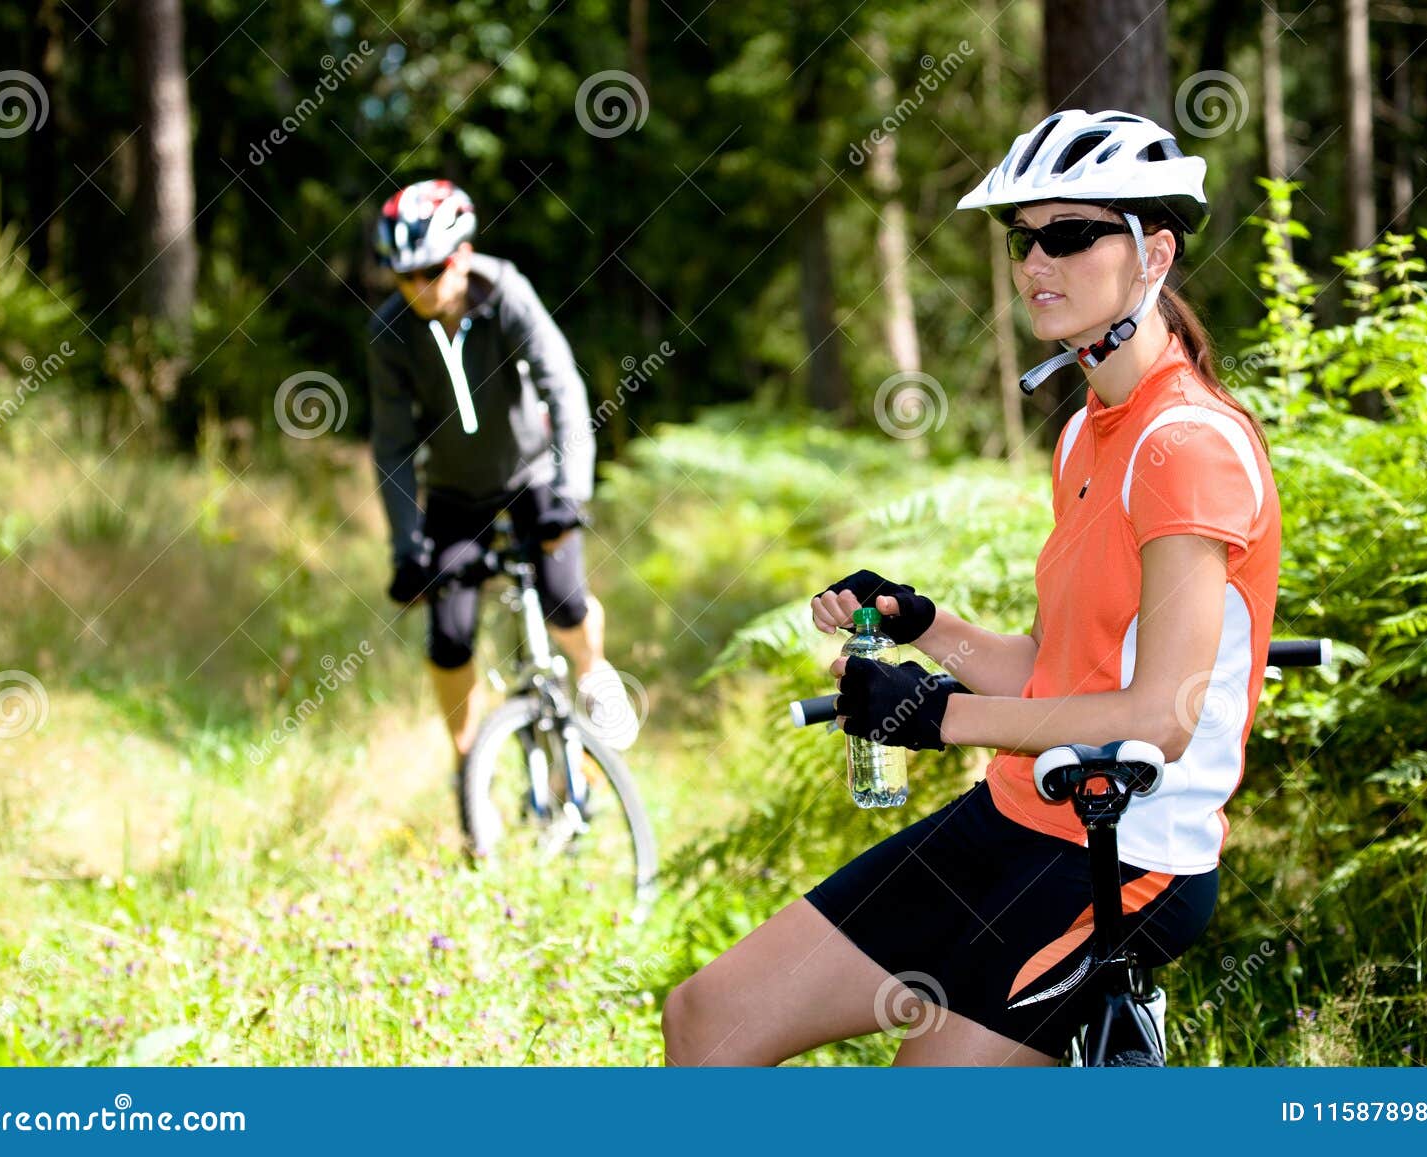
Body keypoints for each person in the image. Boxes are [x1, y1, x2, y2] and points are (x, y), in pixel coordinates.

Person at [662, 110, 1281, 1066]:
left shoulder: (1185, 444)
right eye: (1022, 238)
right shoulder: (1088, 430)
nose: (1036, 262)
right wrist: (925, 624)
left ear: (1154, 253)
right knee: (708, 1020)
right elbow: (1053, 669)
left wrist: (936, 717)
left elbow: (1159, 714)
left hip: (1126, 848)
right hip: (1015, 812)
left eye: (1071, 234)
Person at [367, 179, 639, 781]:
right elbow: (391, 448)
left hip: (531, 476)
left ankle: (593, 673)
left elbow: (563, 388)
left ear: (460, 255)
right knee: (450, 635)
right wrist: (406, 545)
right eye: (402, 276)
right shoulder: (391, 332)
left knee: (565, 600)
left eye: (429, 271)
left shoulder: (505, 291)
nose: (416, 288)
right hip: (456, 495)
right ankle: (469, 770)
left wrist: (571, 491)